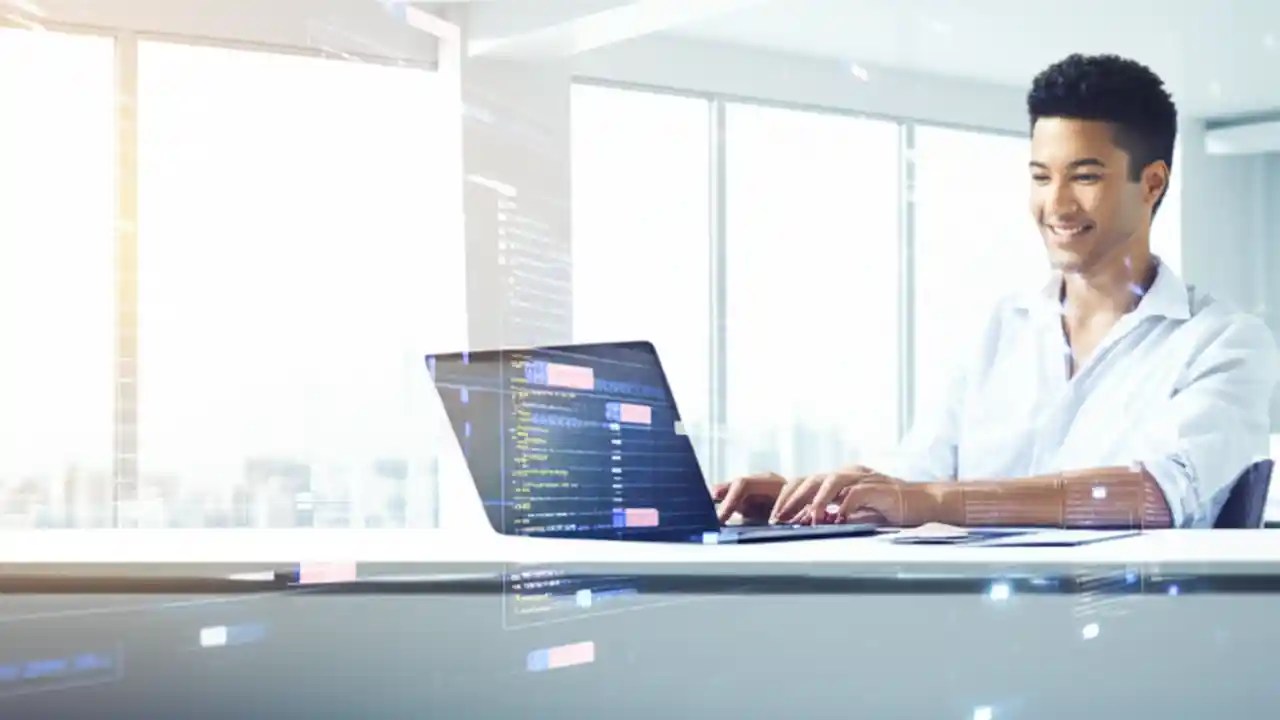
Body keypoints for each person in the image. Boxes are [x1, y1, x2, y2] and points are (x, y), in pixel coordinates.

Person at [713, 53, 1278, 530]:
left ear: (1151, 183)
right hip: (978, 636)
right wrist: (810, 499)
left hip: (1135, 640)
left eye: (1084, 177)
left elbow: (1152, 495)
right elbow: (913, 480)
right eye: (1040, 176)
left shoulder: (1225, 342)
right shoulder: (997, 329)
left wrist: (930, 502)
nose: (1055, 205)